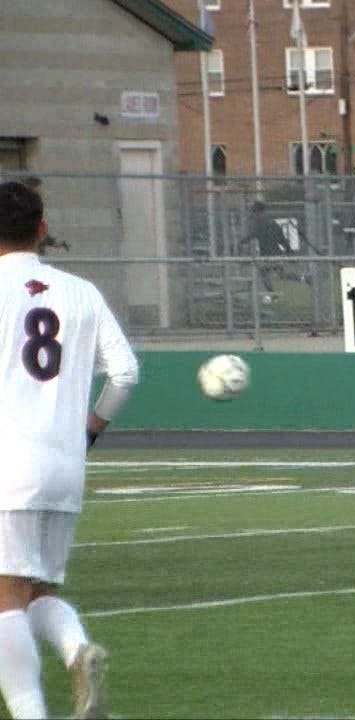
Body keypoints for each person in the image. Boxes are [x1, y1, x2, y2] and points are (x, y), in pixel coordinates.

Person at [0, 181, 139, 719]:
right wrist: (90, 431)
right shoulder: (81, 291)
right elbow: (125, 373)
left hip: (8, 462)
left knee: (5, 600)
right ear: (42, 228)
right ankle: (76, 649)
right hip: (64, 464)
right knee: (37, 594)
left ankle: (32, 713)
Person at [244, 201, 290, 301]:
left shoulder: (260, 223)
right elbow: (282, 239)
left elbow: (252, 235)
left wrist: (242, 241)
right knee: (277, 274)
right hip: (276, 253)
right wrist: (288, 251)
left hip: (268, 254)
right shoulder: (272, 222)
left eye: (255, 212)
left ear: (258, 212)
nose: (254, 215)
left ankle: (273, 295)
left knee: (266, 273)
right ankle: (303, 278)